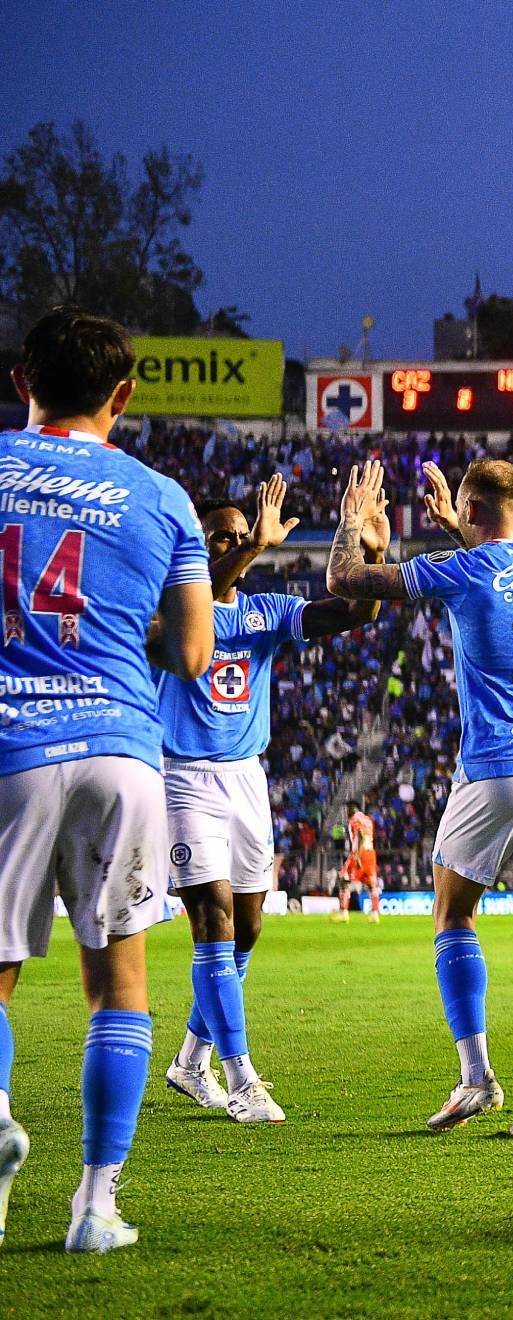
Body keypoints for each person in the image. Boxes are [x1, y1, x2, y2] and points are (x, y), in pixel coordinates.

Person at [0, 307, 215, 1252]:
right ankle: (96, 1207)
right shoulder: (163, 495)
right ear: (122, 397)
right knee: (118, 987)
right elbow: (197, 652)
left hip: (9, 746)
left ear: (22, 384)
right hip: (122, 751)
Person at [326, 458, 513, 1140]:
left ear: (470, 513)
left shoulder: (464, 568)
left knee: (452, 914)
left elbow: (345, 582)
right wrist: (460, 523)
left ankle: (477, 1077)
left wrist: (354, 521)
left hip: (500, 766)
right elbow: (499, 556)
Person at [157, 474, 385, 1122]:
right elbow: (203, 594)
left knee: (249, 930)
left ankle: (190, 1059)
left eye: (238, 535)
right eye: (220, 538)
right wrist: (254, 543)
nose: (233, 543)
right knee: (214, 924)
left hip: (246, 779)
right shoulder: (167, 604)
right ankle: (241, 1078)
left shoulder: (266, 612)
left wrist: (368, 556)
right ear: (193, 546)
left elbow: (349, 614)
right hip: (184, 777)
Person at [335, 800, 381, 924]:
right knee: (372, 884)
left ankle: (343, 913)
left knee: (344, 879)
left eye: (348, 809)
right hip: (371, 852)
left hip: (360, 853)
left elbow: (360, 835)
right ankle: (375, 914)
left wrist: (357, 856)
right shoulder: (368, 819)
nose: (347, 812)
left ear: (353, 808)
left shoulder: (355, 819)